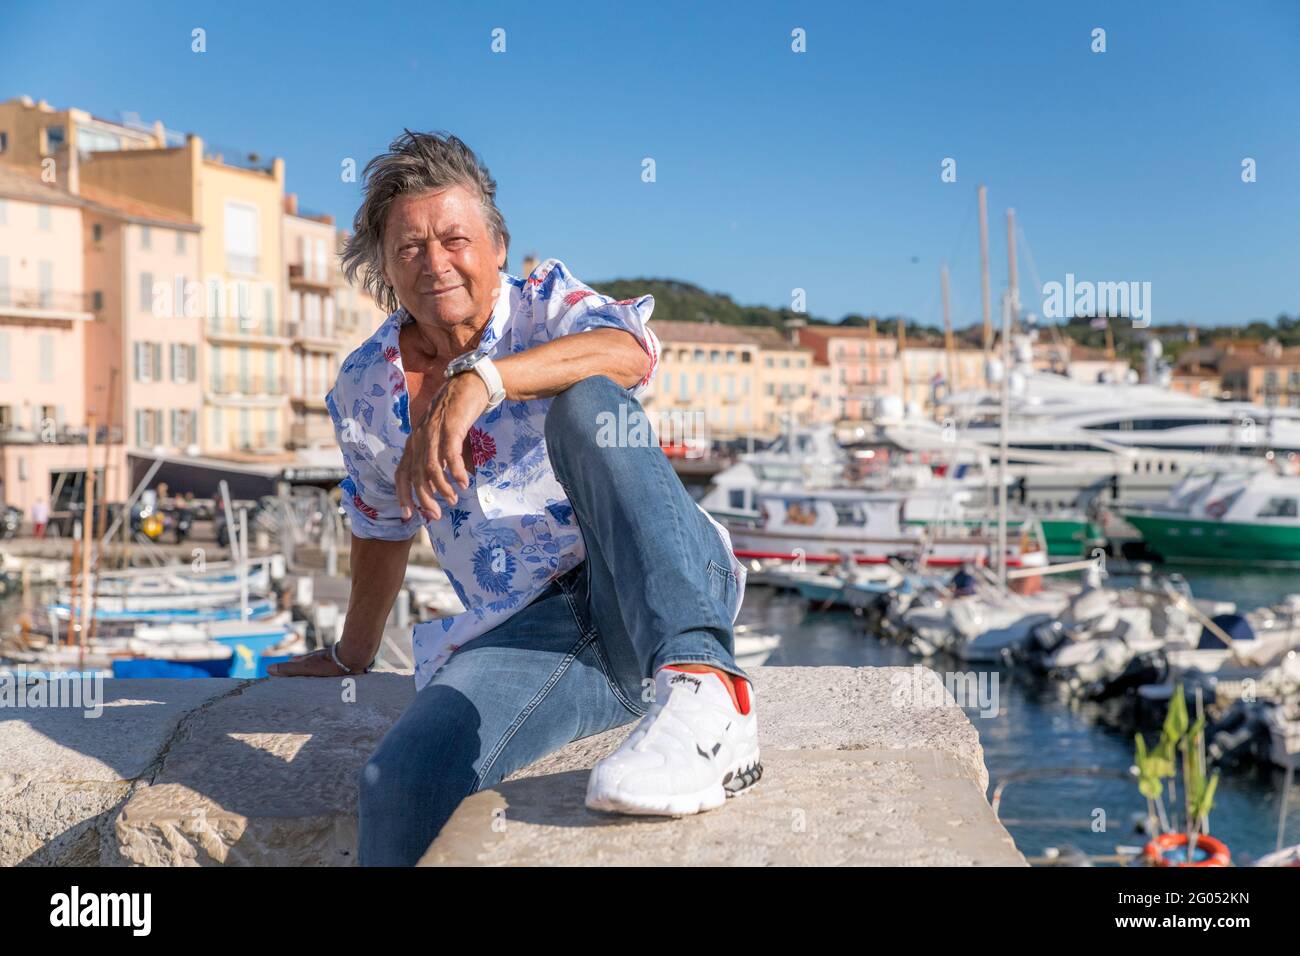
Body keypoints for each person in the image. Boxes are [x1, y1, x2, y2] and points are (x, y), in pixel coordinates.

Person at [269, 131, 759, 866]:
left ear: (497, 246)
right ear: (383, 268)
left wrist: (482, 381)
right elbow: (381, 523)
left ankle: (707, 690)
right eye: (410, 247)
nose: (436, 263)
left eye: (455, 238)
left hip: (653, 581)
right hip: (529, 632)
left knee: (589, 404)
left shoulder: (545, 305)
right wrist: (351, 653)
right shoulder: (364, 387)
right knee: (396, 781)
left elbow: (629, 353)